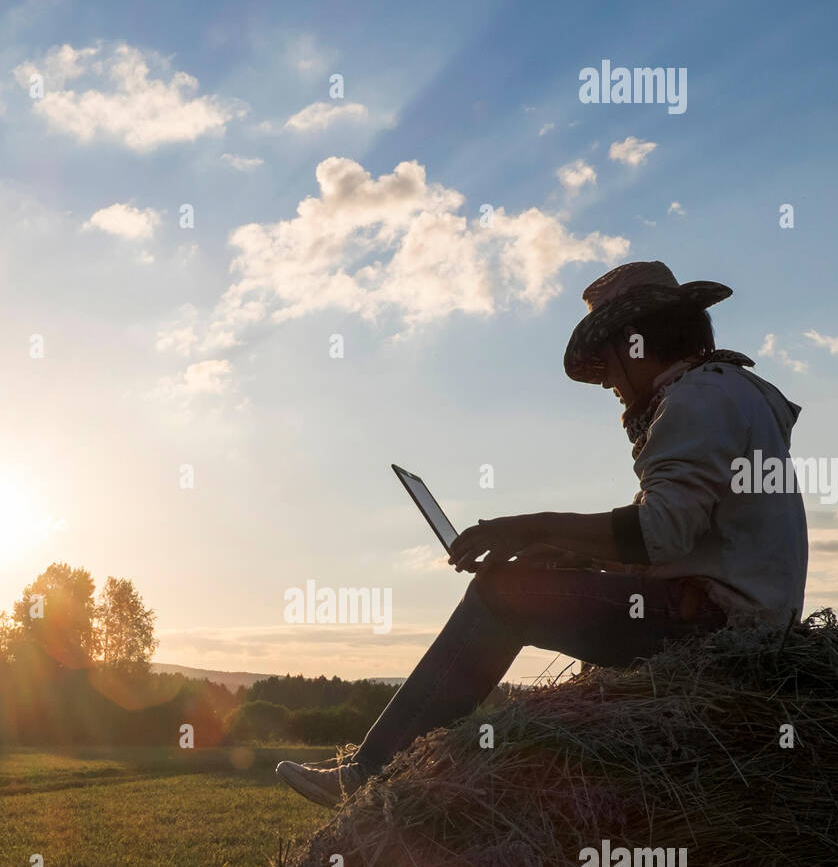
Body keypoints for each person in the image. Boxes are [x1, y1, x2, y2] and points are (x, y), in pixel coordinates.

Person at [277, 260, 809, 808]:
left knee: (499, 596)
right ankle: (390, 771)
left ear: (635, 345)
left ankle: (370, 775)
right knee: (524, 583)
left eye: (605, 361)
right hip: (740, 625)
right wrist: (560, 551)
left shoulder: (697, 401)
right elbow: (679, 530)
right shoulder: (727, 393)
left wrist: (526, 526)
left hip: (714, 630)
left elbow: (658, 534)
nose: (605, 380)